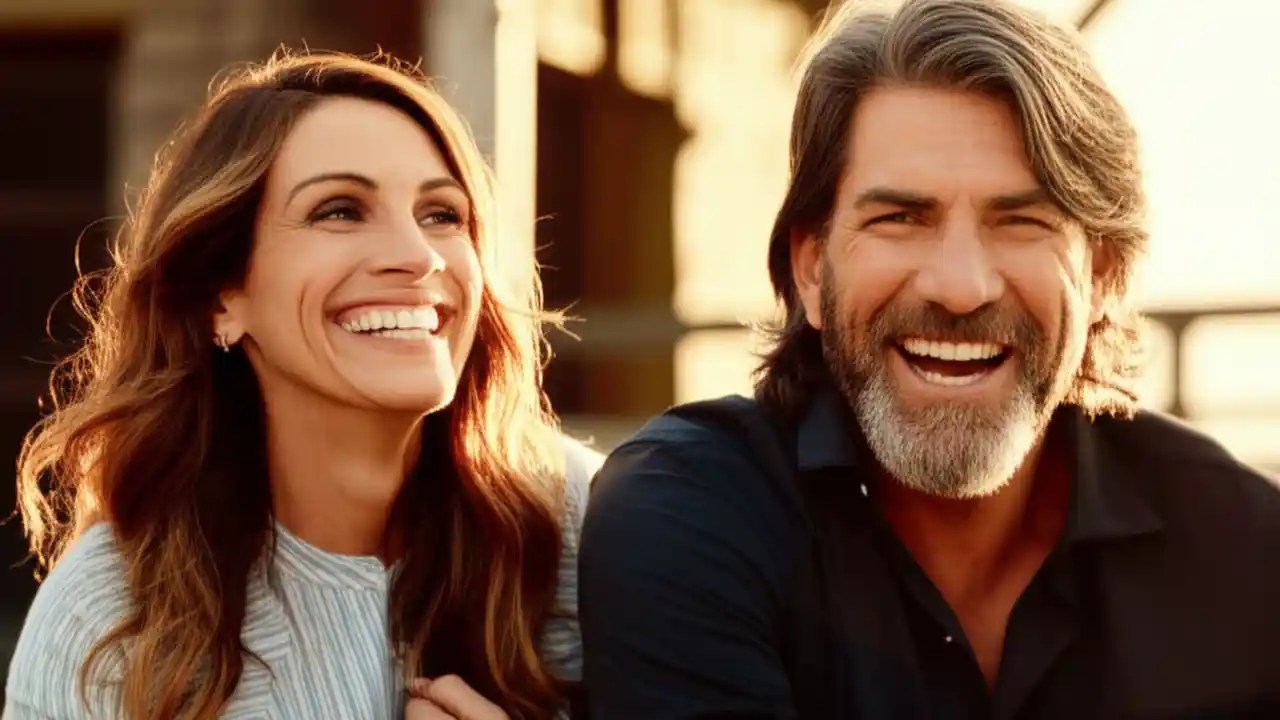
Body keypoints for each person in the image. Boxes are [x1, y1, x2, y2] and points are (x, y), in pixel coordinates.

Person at [579, 0, 1280, 717]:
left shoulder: (1240, 544)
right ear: (813, 270)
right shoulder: (692, 517)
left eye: (1021, 222)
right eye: (901, 219)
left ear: (1101, 275)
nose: (960, 286)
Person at [5, 51, 600, 720]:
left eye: (443, 215)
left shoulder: (592, 528)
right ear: (220, 296)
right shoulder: (112, 618)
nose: (418, 255)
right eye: (340, 211)